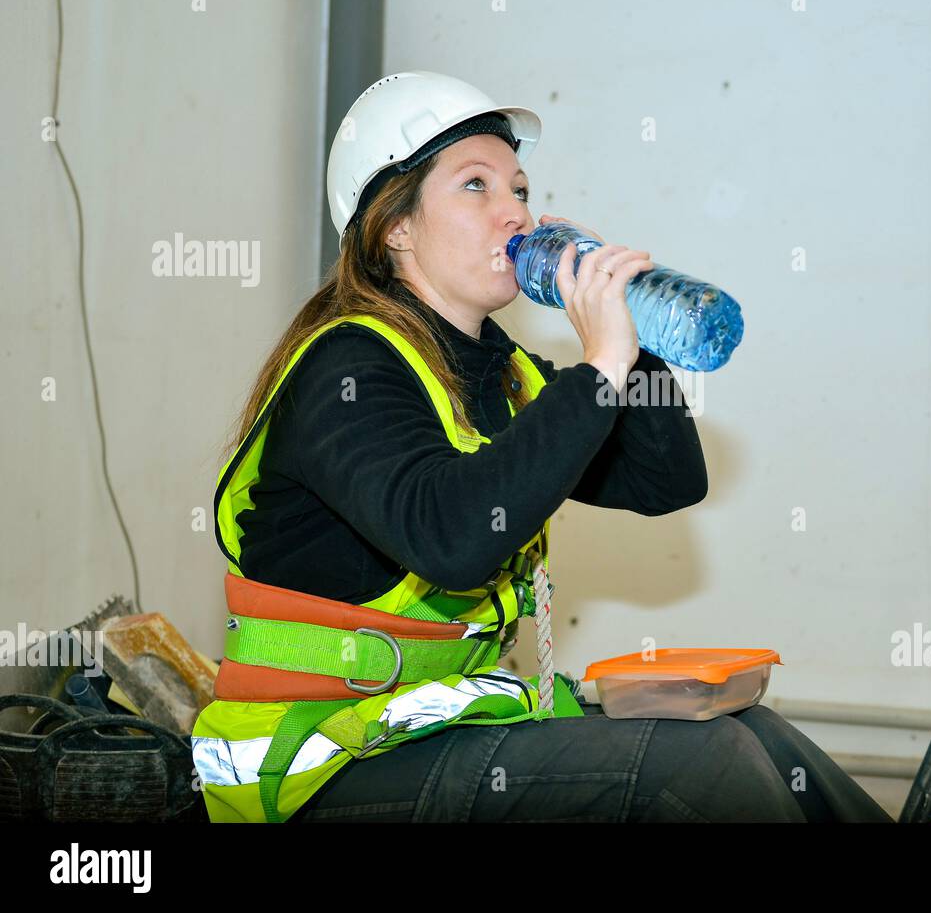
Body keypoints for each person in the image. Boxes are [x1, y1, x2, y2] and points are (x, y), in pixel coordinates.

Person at [191, 70, 893, 823]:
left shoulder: (506, 375)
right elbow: (453, 538)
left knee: (748, 729)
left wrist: (633, 336)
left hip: (427, 728)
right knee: (692, 768)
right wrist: (599, 369)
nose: (513, 213)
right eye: (476, 186)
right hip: (318, 765)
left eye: (519, 191)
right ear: (395, 227)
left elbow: (668, 480)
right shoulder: (346, 370)